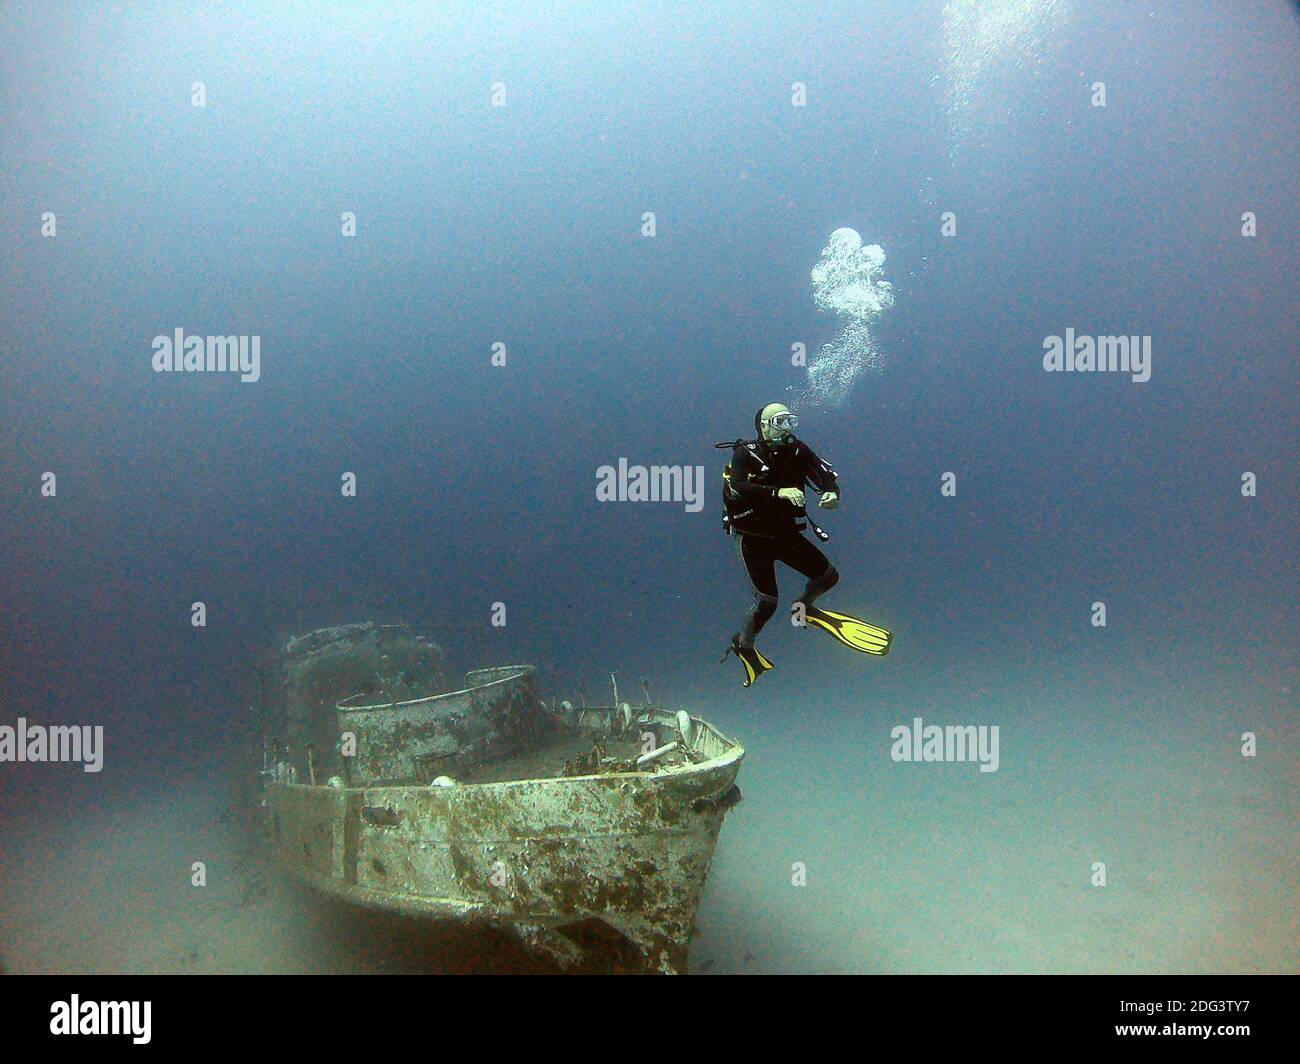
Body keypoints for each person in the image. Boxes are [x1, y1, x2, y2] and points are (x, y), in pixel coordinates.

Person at [719, 403, 891, 686]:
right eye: (779, 421)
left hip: (786, 535)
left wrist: (831, 493)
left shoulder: (798, 450)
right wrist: (778, 492)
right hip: (753, 541)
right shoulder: (745, 453)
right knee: (767, 604)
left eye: (791, 420)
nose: (787, 427)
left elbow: (824, 474)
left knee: (828, 577)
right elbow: (737, 486)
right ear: (763, 426)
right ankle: (744, 644)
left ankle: (805, 607)